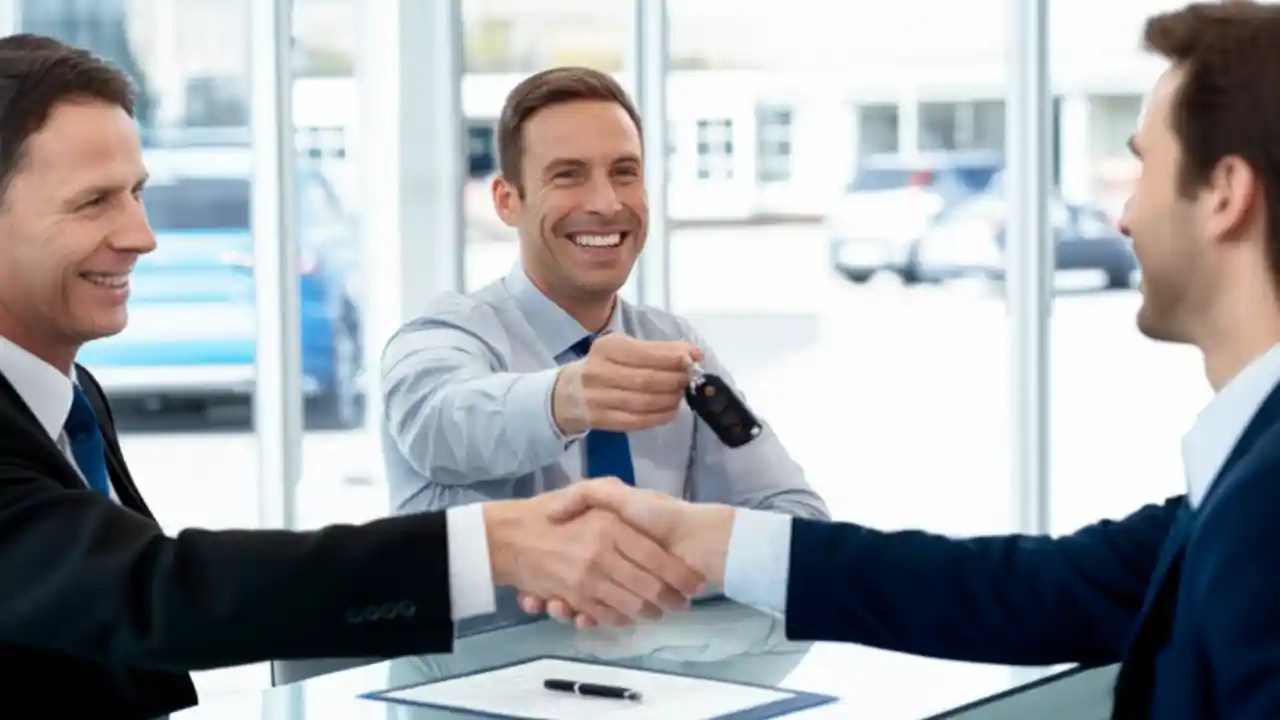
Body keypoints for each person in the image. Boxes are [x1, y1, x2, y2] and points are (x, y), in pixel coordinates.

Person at [525, 4, 1280, 718]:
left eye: (1144, 169)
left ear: (1225, 194)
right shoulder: (1247, 473)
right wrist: (703, 540)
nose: (1123, 216)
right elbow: (1035, 590)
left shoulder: (1266, 503)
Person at [0, 36, 702, 718]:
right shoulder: (448, 336)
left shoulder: (70, 399)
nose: (142, 235)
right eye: (93, 202)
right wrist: (491, 545)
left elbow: (106, 640)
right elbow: (157, 595)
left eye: (136, 193)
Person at [380, 67, 829, 523]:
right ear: (507, 201)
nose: (607, 202)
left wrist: (683, 538)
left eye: (624, 172)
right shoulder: (442, 336)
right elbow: (438, 425)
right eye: (568, 175)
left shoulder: (672, 344)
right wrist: (567, 398)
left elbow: (797, 515)